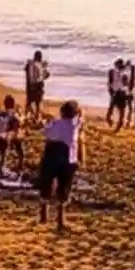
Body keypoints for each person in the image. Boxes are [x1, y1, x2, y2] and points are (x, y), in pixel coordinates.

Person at [38, 100, 84, 232]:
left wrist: (46, 123)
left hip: (52, 154)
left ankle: (43, 214)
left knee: (46, 184)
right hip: (68, 158)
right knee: (63, 189)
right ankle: (60, 220)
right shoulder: (76, 124)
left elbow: (45, 133)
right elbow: (81, 119)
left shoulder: (56, 123)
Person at [0, 95, 24, 178]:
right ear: (14, 104)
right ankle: (0, 168)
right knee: (7, 150)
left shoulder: (0, 114)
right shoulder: (14, 116)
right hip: (4, 138)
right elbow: (17, 126)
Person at [24, 50, 49, 123]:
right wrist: (45, 74)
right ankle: (37, 119)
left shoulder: (29, 64)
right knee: (38, 103)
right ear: (40, 57)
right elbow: (41, 77)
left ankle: (26, 117)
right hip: (38, 87)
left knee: (29, 102)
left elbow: (28, 74)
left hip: (29, 86)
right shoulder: (38, 65)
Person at [106, 59, 130, 131]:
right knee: (114, 110)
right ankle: (112, 122)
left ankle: (118, 125)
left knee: (119, 111)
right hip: (117, 92)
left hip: (120, 92)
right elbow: (110, 83)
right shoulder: (115, 72)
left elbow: (126, 84)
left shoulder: (123, 72)